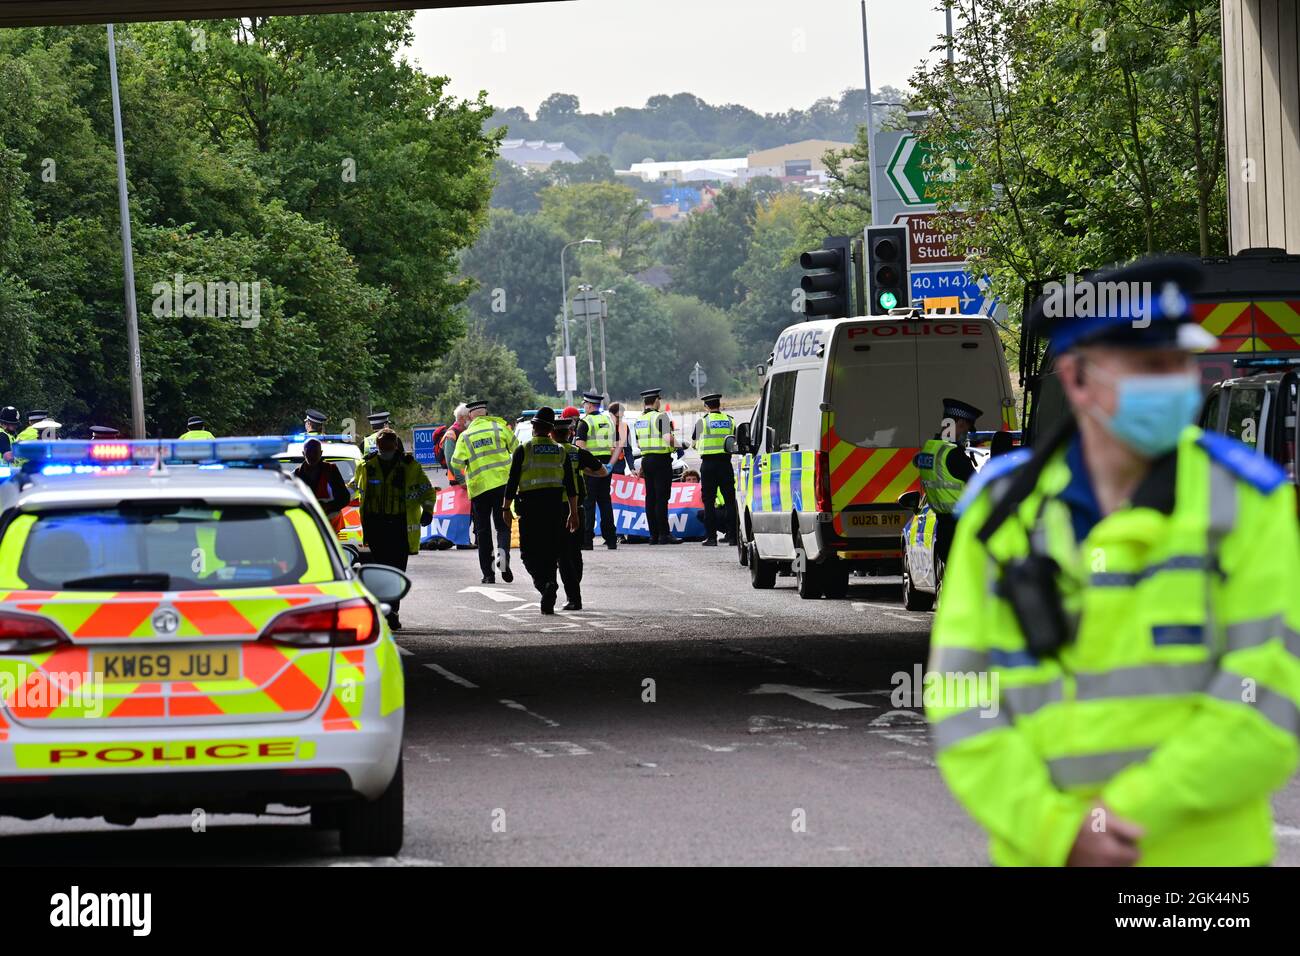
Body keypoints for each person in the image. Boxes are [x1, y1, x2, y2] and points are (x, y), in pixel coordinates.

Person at [927, 255, 1300, 867]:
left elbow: (1267, 701)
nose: (1178, 382)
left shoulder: (1247, 502)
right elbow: (963, 695)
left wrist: (1119, 820)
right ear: (1076, 380)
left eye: (1181, 364)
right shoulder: (1001, 513)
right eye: (1150, 367)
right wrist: (1057, 832)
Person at [353, 428, 436, 630]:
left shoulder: (410, 466)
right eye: (382, 444)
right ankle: (384, 611)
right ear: (378, 445)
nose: (385, 447)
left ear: (395, 445)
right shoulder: (367, 465)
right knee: (381, 570)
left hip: (400, 526)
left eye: (389, 444)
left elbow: (427, 490)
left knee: (397, 571)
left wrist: (428, 511)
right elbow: (355, 488)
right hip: (376, 526)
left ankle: (393, 610)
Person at [503, 407, 580, 615]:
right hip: (556, 508)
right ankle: (550, 586)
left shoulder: (524, 449)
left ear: (534, 426)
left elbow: (512, 481)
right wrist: (574, 512)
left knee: (529, 553)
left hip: (531, 508)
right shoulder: (560, 450)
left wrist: (505, 508)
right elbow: (571, 486)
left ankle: (544, 584)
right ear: (550, 429)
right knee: (551, 552)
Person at [449, 399, 518, 584]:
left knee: (483, 531)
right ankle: (503, 562)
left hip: (479, 489)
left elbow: (455, 463)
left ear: (470, 415)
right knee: (503, 527)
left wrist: (464, 476)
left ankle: (488, 574)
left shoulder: (466, 436)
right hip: (502, 485)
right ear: (486, 413)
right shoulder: (500, 427)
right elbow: (517, 450)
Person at [553, 410, 610, 611]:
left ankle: (570, 595)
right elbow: (602, 472)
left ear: (552, 434)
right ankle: (574, 588)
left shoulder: (550, 452)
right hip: (576, 507)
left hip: (554, 506)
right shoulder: (578, 453)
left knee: (560, 554)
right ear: (570, 433)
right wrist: (580, 470)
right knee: (574, 552)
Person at [917, 398, 982, 572]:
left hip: (943, 527)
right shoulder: (954, 455)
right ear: (960, 423)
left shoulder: (929, 449)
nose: (967, 433)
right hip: (960, 528)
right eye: (967, 428)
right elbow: (979, 487)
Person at [633, 388, 680, 545]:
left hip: (646, 460)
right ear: (656, 401)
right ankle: (664, 534)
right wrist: (679, 445)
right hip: (661, 461)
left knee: (650, 498)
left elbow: (639, 443)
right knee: (662, 498)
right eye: (659, 400)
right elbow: (668, 438)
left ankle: (653, 535)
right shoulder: (660, 417)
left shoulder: (639, 420)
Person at [692, 393, 738, 547]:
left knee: (709, 502)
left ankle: (711, 537)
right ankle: (733, 536)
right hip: (725, 463)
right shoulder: (730, 420)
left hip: (708, 465)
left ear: (706, 406)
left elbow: (694, 441)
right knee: (730, 501)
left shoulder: (702, 421)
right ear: (720, 404)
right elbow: (735, 441)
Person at [576, 391, 617, 550]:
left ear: (589, 405)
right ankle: (611, 539)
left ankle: (587, 540)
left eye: (585, 405)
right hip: (606, 465)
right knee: (605, 502)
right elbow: (613, 446)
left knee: (589, 503)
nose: (584, 407)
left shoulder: (585, 422)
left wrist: (584, 467)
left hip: (590, 466)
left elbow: (580, 448)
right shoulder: (608, 420)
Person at [294, 437, 351, 532]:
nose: (312, 455)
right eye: (309, 451)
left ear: (321, 453)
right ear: (303, 454)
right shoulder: (296, 475)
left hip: (330, 527)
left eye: (315, 451)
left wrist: (327, 506)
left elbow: (344, 498)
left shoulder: (331, 470)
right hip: (307, 526)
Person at [438, 404, 470, 486]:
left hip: (466, 479)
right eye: (469, 417)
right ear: (462, 418)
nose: (471, 419)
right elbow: (450, 460)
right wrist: (462, 481)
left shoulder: (464, 432)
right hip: (458, 481)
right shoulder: (451, 434)